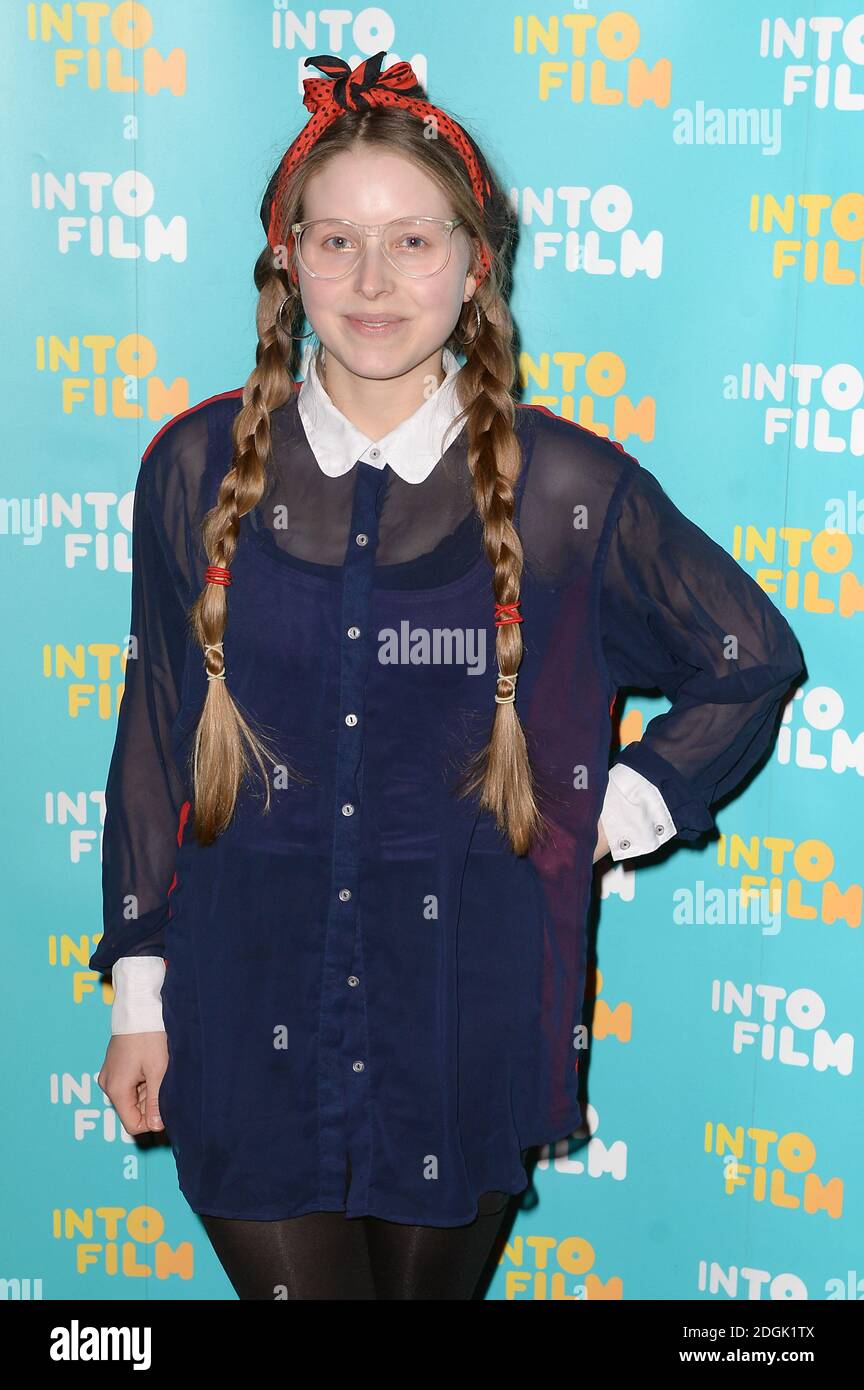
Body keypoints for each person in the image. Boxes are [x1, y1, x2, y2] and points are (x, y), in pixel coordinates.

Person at [90, 52, 805, 1301]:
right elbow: (157, 734)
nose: (372, 283)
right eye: (335, 242)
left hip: (463, 1011)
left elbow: (748, 658)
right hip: (241, 998)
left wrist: (600, 811)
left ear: (477, 265)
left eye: (413, 241)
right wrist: (136, 995)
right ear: (287, 261)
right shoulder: (191, 467)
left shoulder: (573, 490)